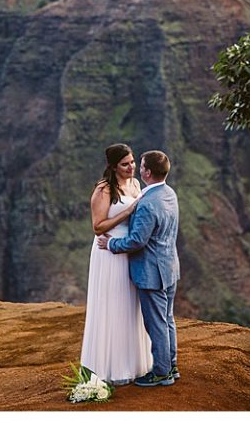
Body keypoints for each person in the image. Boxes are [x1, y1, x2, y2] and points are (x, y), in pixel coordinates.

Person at [99, 150, 181, 387]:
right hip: (169, 267)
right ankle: (171, 365)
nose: (136, 168)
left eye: (140, 165)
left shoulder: (146, 204)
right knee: (167, 319)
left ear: (147, 172)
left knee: (156, 323)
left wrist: (111, 243)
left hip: (151, 272)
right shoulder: (169, 194)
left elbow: (137, 241)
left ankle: (162, 372)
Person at [78, 144, 151, 385]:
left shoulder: (135, 184)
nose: (131, 167)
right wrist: (128, 212)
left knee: (130, 305)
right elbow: (97, 226)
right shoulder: (104, 189)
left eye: (132, 162)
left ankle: (131, 363)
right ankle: (108, 367)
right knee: (111, 304)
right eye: (125, 164)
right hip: (107, 250)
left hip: (128, 249)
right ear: (112, 166)